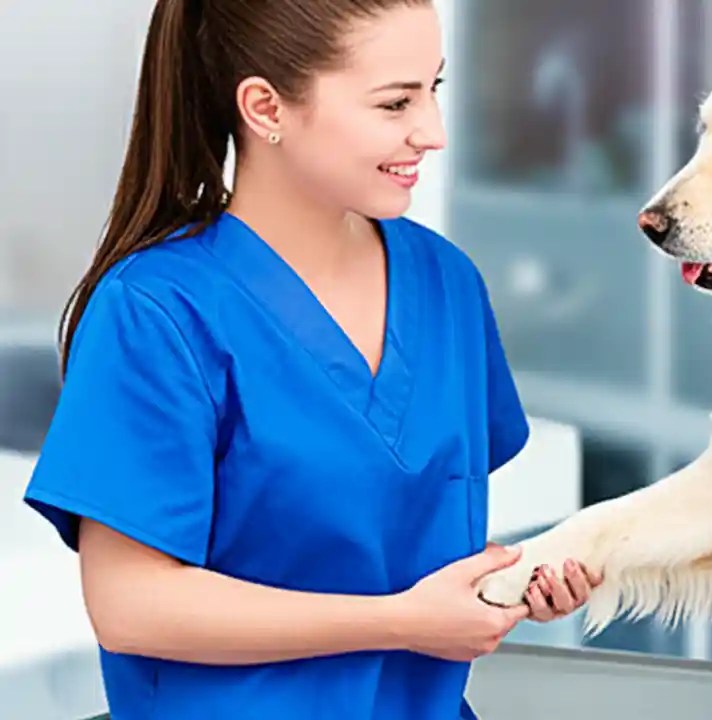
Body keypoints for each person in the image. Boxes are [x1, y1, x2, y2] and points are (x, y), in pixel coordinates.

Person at [22, 1, 601, 717]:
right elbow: (130, 605)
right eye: (395, 102)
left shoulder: (447, 282)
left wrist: (510, 585)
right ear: (266, 106)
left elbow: (385, 528)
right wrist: (401, 621)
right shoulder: (158, 310)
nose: (434, 133)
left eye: (434, 89)